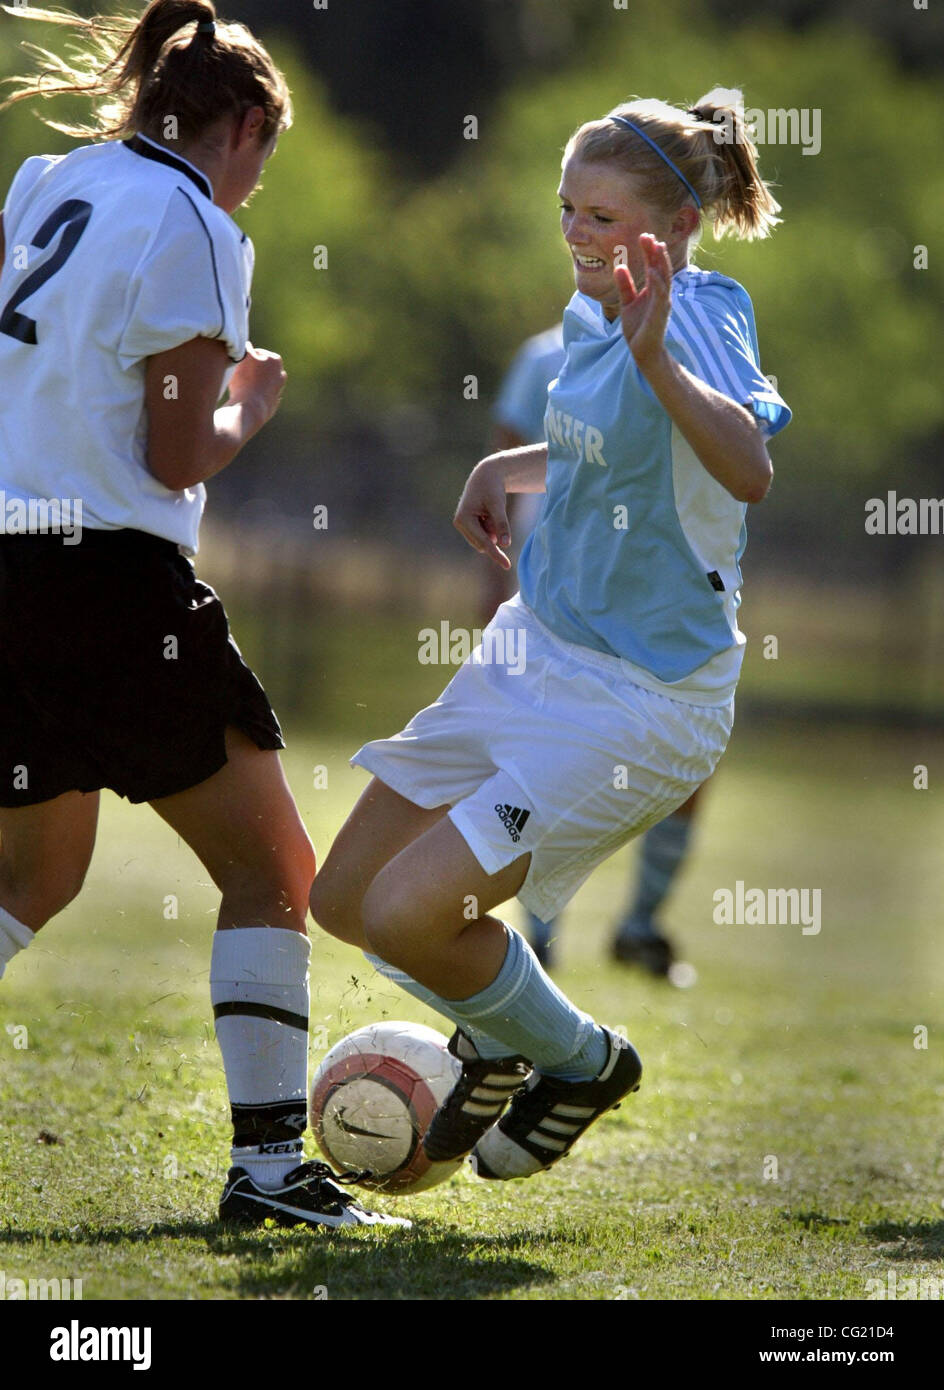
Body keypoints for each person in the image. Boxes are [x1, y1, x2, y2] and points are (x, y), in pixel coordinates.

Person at [309, 87, 791, 1182]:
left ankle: (580, 1062)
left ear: (673, 228)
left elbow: (747, 471)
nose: (576, 234)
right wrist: (507, 466)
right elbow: (603, 452)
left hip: (638, 701)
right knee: (344, 902)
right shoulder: (590, 311)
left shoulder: (700, 316)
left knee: (409, 913)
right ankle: (512, 1041)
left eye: (602, 218)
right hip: (534, 652)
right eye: (567, 209)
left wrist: (658, 354)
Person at [0, 0, 405, 1231]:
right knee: (276, 871)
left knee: (32, 876)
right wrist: (247, 408)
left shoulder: (47, 179)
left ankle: (271, 1169)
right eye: (259, 163)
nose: (252, 192)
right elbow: (178, 457)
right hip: (108, 580)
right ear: (239, 128)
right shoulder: (191, 219)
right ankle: (273, 1174)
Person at [486, 325, 707, 977]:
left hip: (659, 597)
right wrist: (489, 582)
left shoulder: (692, 341)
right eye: (579, 215)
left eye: (605, 215)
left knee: (690, 764)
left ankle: (639, 926)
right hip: (559, 596)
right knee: (540, 760)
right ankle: (540, 938)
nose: (591, 235)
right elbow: (504, 468)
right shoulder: (543, 354)